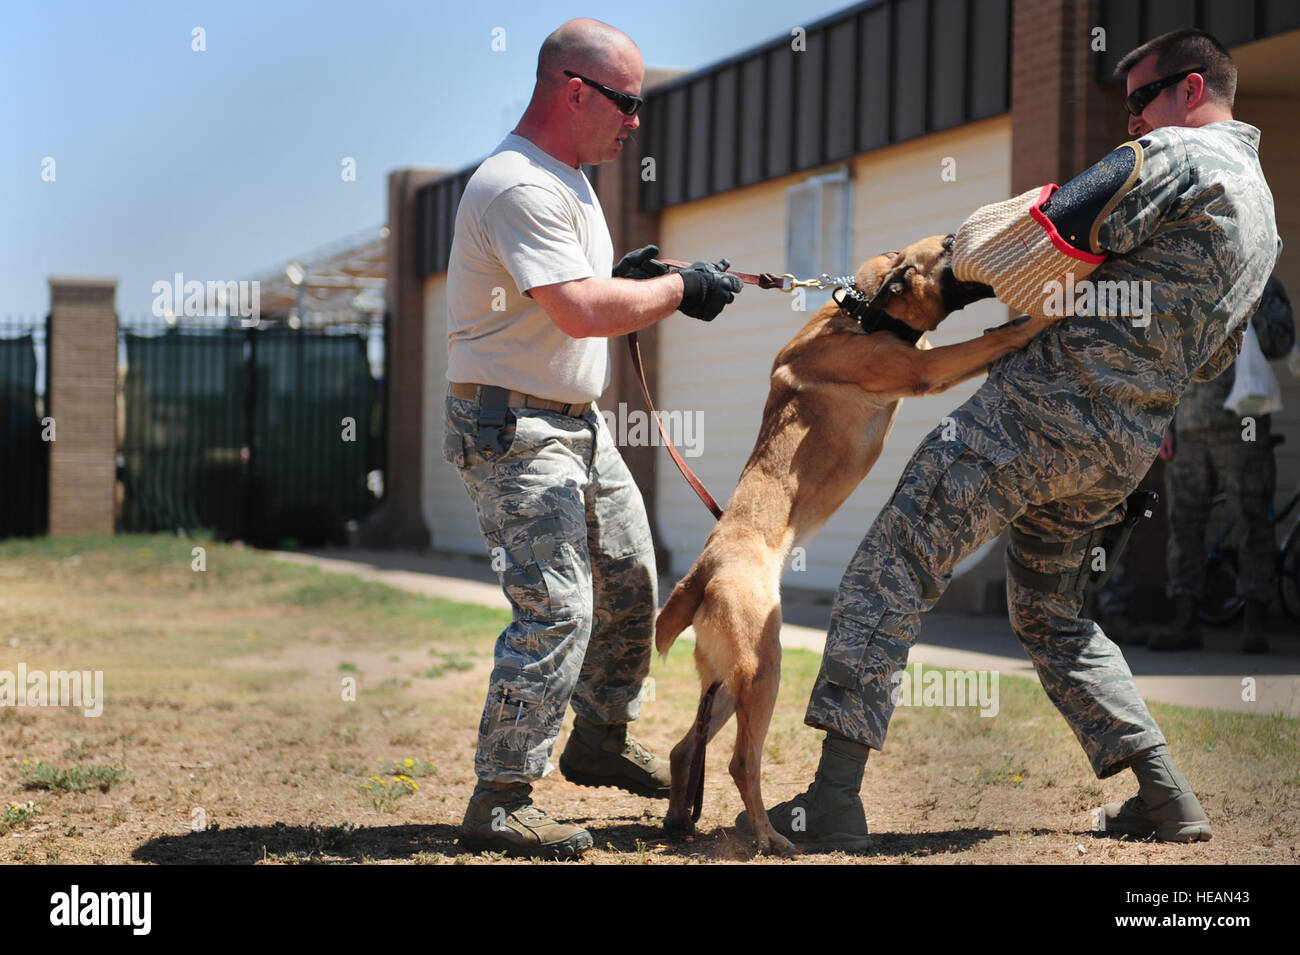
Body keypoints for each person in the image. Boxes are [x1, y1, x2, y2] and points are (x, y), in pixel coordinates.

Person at [739, 28, 1280, 849]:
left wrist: (941, 283)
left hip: (1034, 417)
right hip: (1124, 447)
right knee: (1051, 613)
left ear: (1191, 89)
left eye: (1140, 98)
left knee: (896, 559)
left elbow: (1052, 224)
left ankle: (835, 797)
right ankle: (1165, 795)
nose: (1130, 119)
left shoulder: (1174, 154)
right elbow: (1215, 357)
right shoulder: (1264, 219)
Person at [443, 18, 743, 859]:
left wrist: (633, 282)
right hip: (512, 424)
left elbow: (579, 291)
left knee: (630, 578)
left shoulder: (569, 177)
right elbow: (578, 310)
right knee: (558, 604)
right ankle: (501, 799)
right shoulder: (517, 185)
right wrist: (680, 287)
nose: (635, 122)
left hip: (574, 421)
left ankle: (599, 736)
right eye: (628, 103)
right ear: (576, 91)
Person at [1146, 275, 1294, 653]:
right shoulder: (1185, 281)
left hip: (1243, 424)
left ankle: (1255, 623)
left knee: (1252, 521)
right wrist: (1164, 425)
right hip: (1189, 426)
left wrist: (1244, 314)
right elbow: (1166, 360)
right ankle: (1184, 621)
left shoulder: (1259, 281)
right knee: (1185, 525)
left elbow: (1281, 338)